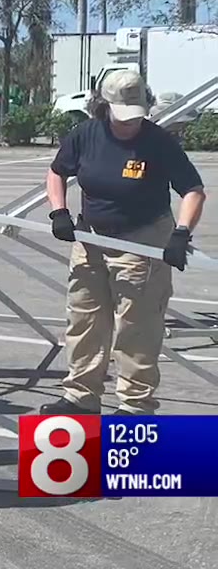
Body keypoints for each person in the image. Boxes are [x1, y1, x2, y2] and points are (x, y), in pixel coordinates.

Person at [41, 70, 205, 416]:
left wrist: (181, 232)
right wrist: (59, 212)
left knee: (137, 327)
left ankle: (135, 406)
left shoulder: (158, 142)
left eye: (136, 114)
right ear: (104, 106)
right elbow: (57, 172)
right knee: (84, 320)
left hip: (142, 242)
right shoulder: (85, 135)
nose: (130, 123)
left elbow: (193, 190)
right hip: (90, 239)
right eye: (123, 115)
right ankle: (81, 397)